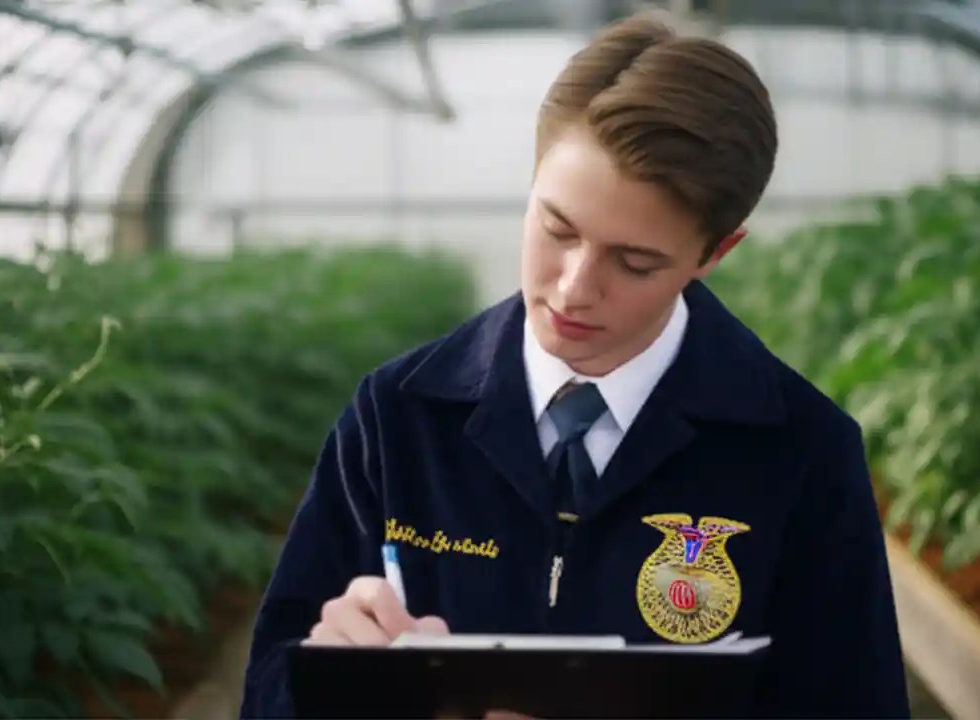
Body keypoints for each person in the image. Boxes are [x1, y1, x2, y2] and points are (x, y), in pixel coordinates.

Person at [240, 9, 910, 719]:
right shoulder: (397, 418)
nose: (573, 289)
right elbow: (267, 694)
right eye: (556, 228)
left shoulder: (799, 452)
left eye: (636, 261)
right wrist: (332, 685)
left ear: (715, 254)